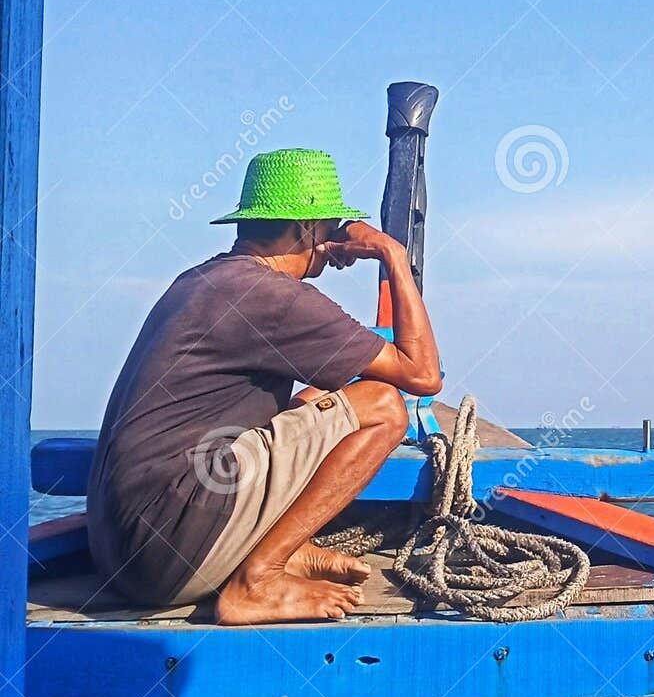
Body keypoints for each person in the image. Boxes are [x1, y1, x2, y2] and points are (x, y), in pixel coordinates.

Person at [86, 148, 442, 624]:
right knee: (382, 405)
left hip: (119, 551)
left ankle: (289, 549)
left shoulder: (204, 281)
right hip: (169, 547)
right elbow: (422, 374)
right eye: (331, 225)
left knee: (316, 400)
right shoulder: (273, 297)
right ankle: (258, 580)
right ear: (305, 229)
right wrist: (391, 255)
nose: (338, 236)